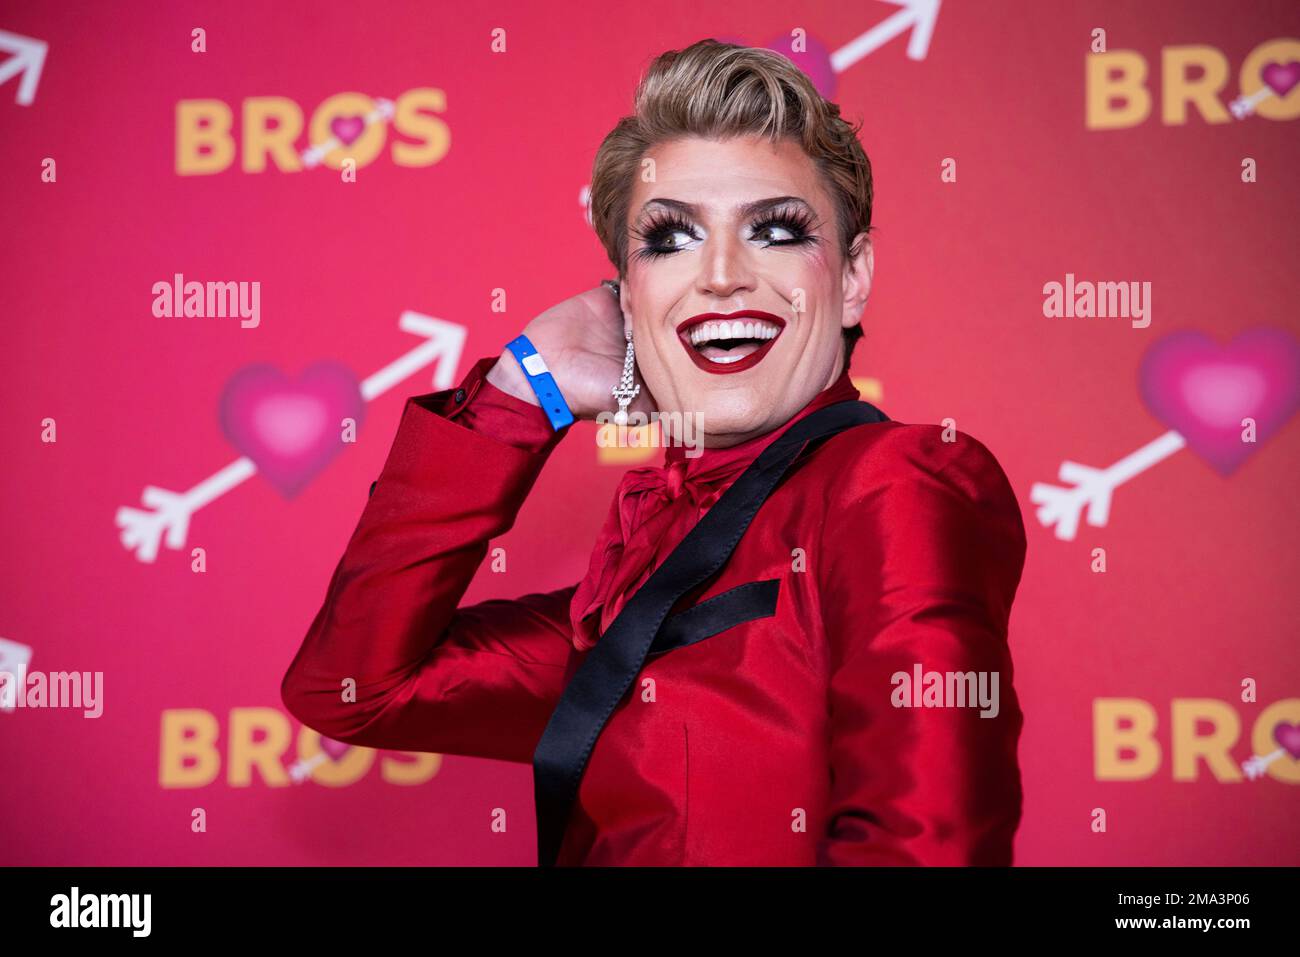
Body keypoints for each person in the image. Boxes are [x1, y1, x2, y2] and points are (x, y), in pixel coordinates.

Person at [281, 38, 1028, 866]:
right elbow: (354, 688)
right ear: (628, 300)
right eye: (670, 240)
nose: (719, 275)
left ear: (852, 275)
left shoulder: (893, 484)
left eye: (775, 230)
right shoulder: (640, 568)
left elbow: (929, 848)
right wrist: (523, 394)